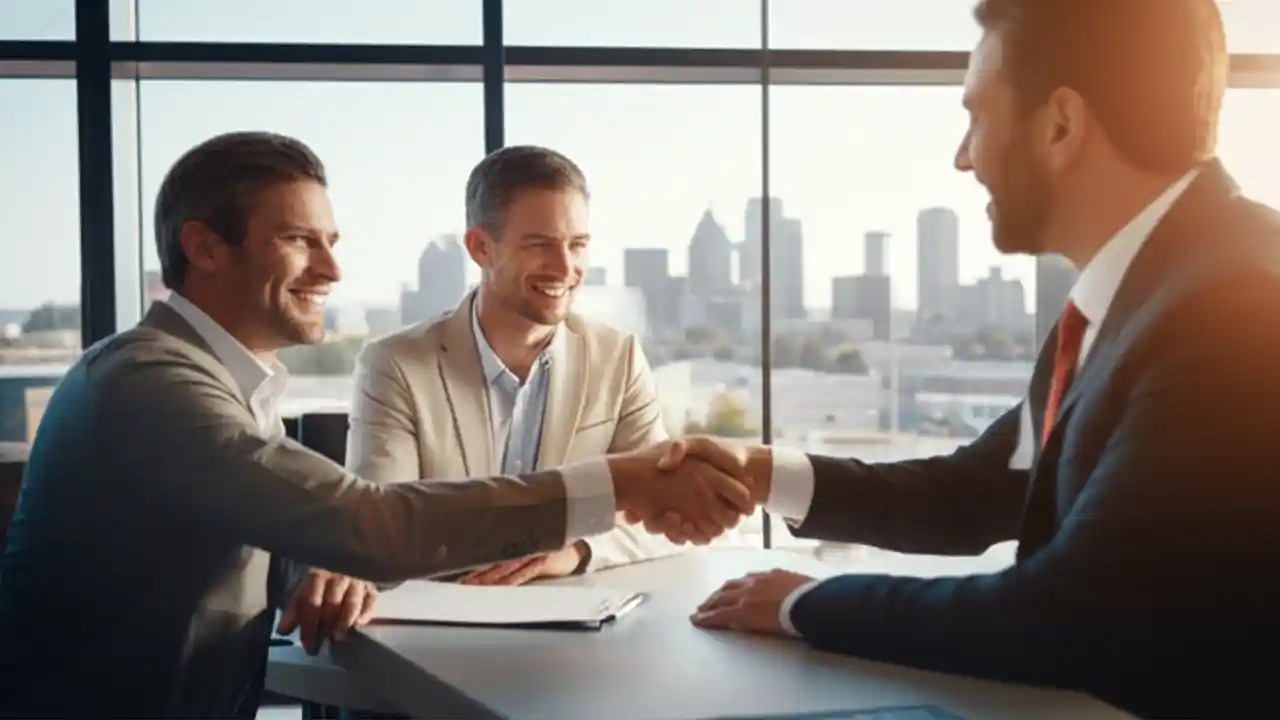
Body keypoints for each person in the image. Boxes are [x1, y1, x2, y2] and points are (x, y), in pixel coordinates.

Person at [0, 131, 753, 718]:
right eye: (300, 240)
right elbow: (372, 519)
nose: (331, 270)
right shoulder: (150, 385)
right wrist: (621, 484)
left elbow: (276, 537)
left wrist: (328, 560)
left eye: (333, 242)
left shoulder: (234, 383)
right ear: (204, 247)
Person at [677, 1, 1280, 716]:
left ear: (1060, 125)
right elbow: (979, 489)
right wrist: (764, 475)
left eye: (976, 117)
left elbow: (1069, 613)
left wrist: (806, 603)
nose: (964, 156)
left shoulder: (1236, 305)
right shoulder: (1127, 295)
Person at [345, 145, 688, 587]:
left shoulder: (617, 358)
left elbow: (667, 516)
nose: (566, 268)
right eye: (540, 245)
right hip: (439, 624)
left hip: (575, 623)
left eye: (577, 245)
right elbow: (382, 532)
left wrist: (575, 551)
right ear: (481, 248)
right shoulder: (396, 364)